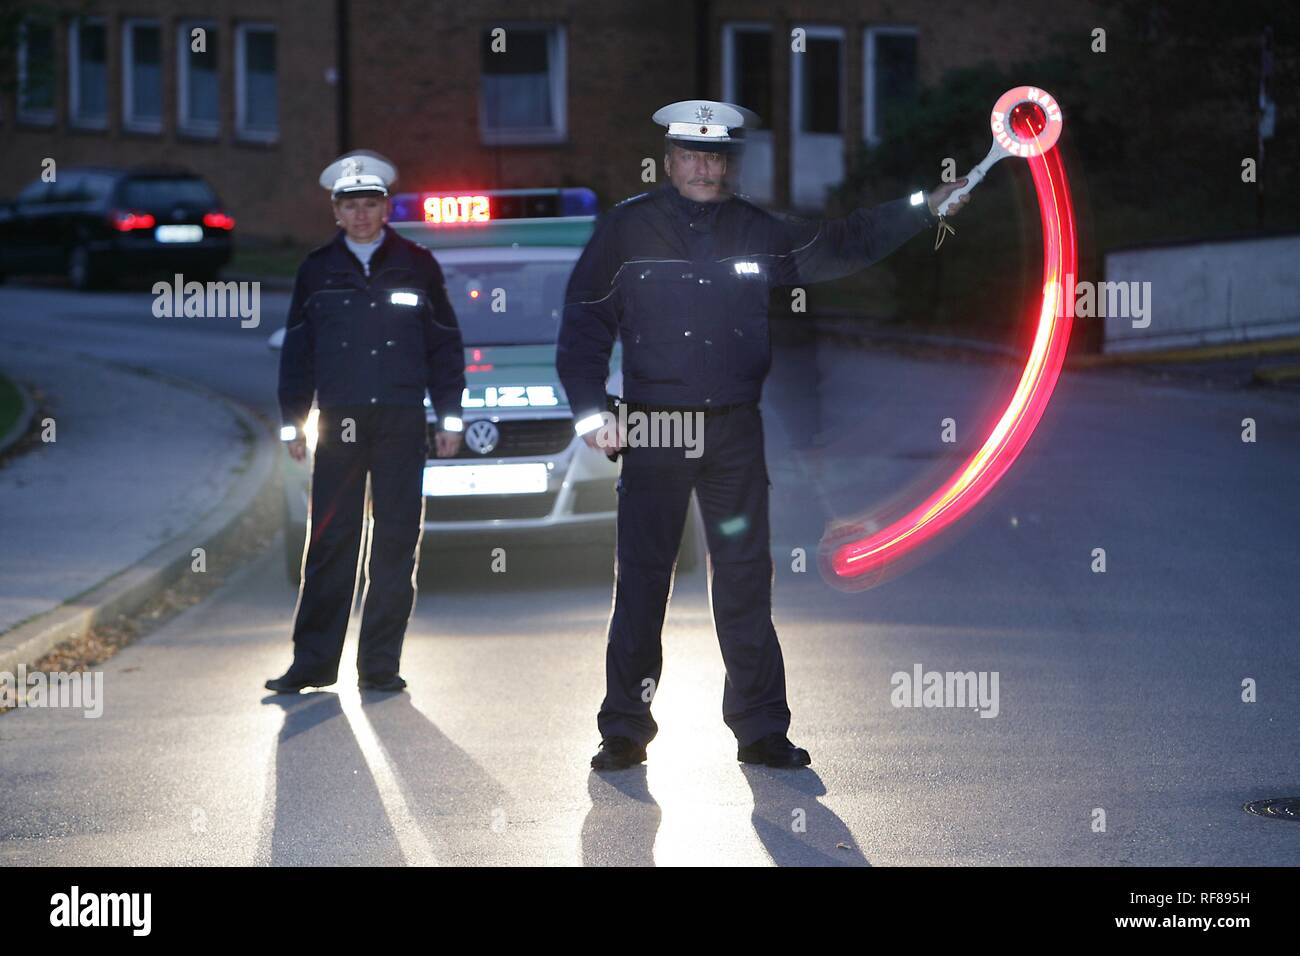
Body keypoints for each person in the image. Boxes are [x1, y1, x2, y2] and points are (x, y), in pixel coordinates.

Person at [557, 100, 971, 770]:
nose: (703, 167)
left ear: (727, 163)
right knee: (642, 581)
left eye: (715, 156)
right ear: (669, 161)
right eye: (690, 155)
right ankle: (624, 729)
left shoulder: (756, 229)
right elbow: (582, 327)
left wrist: (924, 206)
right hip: (656, 428)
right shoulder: (625, 232)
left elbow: (841, 244)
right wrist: (591, 411)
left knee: (746, 583)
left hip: (732, 433)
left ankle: (760, 730)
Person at [266, 150, 466, 694]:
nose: (360, 214)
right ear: (335, 211)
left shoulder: (417, 264)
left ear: (386, 208)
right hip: (340, 422)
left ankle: (380, 665)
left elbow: (444, 347)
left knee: (396, 542)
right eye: (350, 205)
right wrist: (293, 422)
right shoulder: (316, 270)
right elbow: (298, 353)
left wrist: (449, 416)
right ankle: (312, 663)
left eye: (370, 204)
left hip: (402, 422)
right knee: (332, 542)